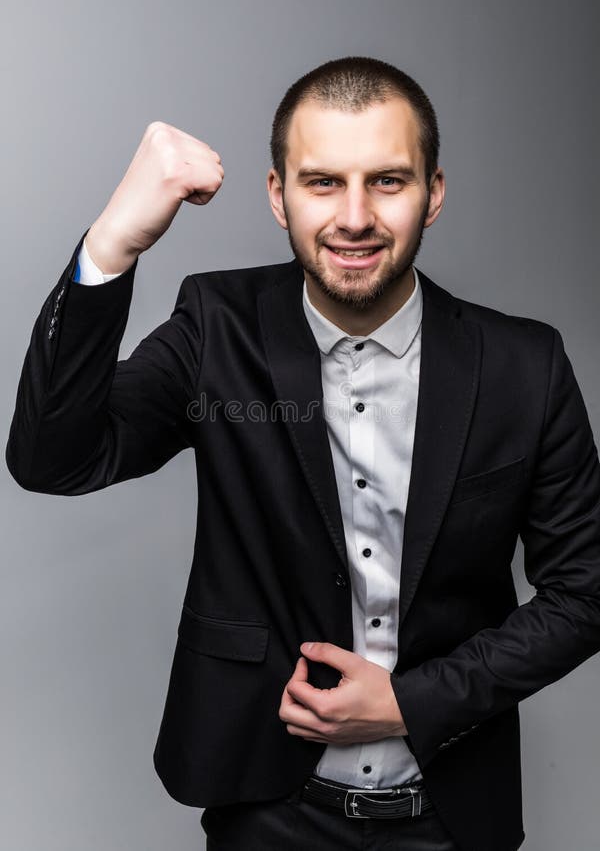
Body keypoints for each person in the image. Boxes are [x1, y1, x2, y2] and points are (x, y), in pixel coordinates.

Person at [6, 56, 600, 851]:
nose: (354, 216)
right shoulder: (216, 329)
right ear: (277, 195)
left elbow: (587, 592)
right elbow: (54, 460)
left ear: (435, 192)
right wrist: (114, 241)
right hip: (269, 810)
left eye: (388, 181)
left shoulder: (527, 366)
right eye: (322, 182)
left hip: (457, 817)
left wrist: (411, 702)